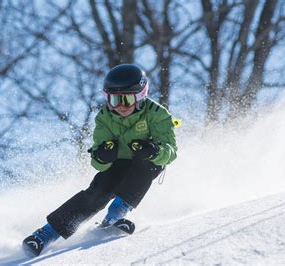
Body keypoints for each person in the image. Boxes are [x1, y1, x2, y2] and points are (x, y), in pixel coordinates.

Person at [22, 64, 178, 256]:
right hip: (118, 164)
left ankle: (116, 214)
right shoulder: (104, 117)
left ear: (140, 96)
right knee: (98, 191)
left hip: (145, 162)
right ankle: (45, 234)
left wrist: (154, 150)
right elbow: (98, 162)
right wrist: (103, 156)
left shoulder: (157, 114)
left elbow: (171, 152)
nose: (120, 106)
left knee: (147, 166)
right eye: (114, 100)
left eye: (127, 99)